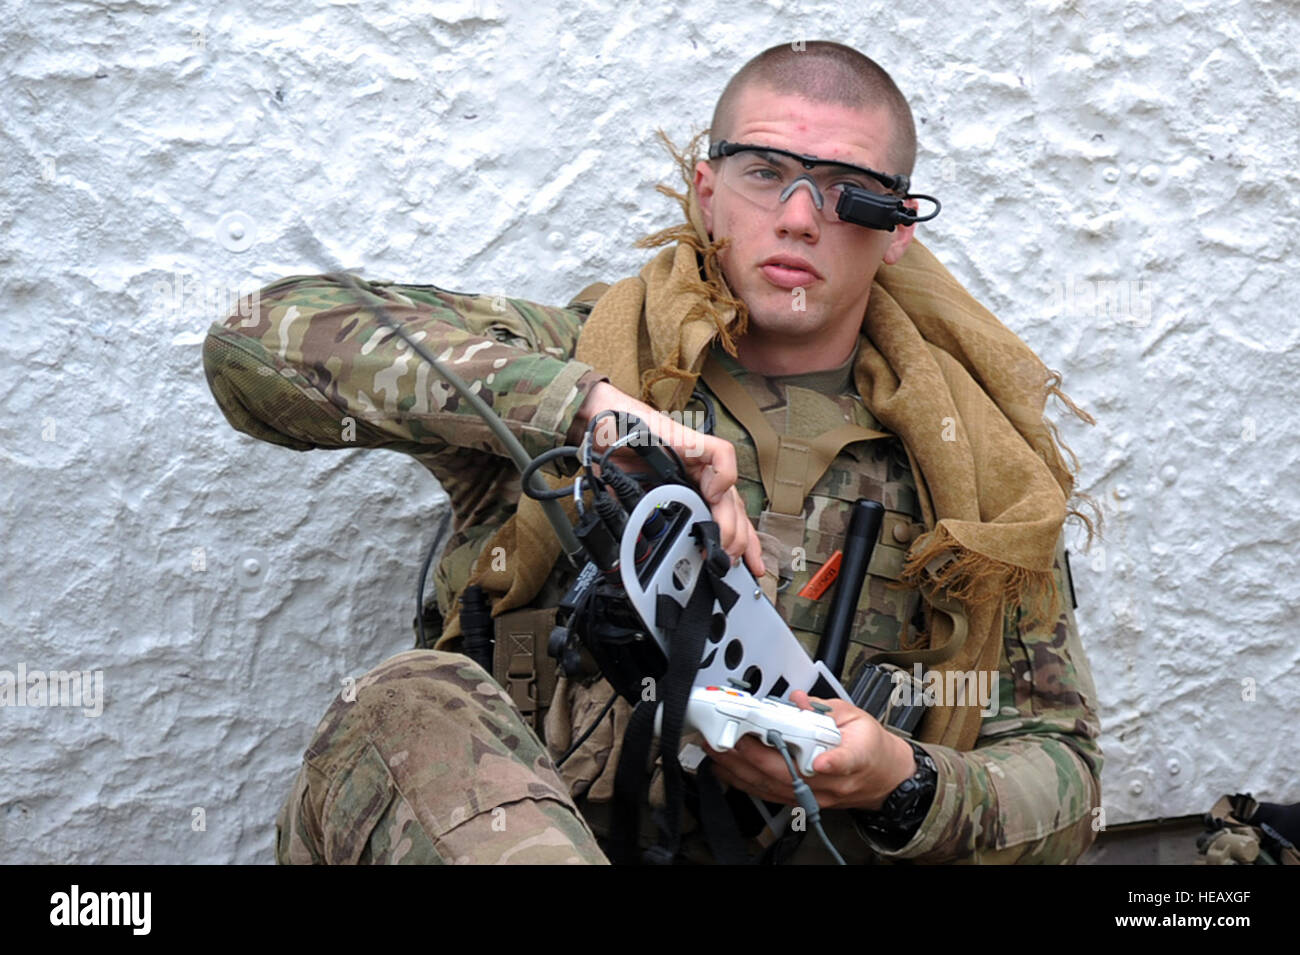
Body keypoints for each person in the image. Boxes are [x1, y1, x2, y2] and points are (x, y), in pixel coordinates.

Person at [202, 41, 1103, 864]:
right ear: (706, 188)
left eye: (843, 189)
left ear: (897, 226)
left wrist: (902, 785)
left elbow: (1065, 777)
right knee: (410, 702)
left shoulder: (978, 477)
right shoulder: (581, 362)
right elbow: (254, 343)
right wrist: (584, 410)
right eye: (765, 172)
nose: (798, 217)